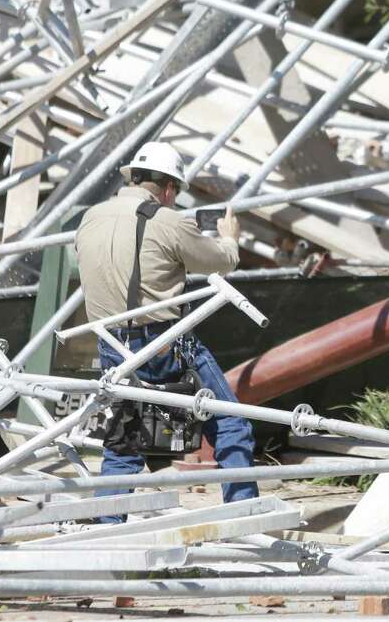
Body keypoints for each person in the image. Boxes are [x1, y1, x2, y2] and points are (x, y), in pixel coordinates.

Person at [74, 141, 258, 521]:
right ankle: (245, 515)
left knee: (124, 438)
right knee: (230, 423)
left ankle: (108, 524)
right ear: (170, 188)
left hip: (110, 343)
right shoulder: (169, 220)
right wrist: (229, 237)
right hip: (161, 340)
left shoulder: (91, 216)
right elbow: (221, 262)